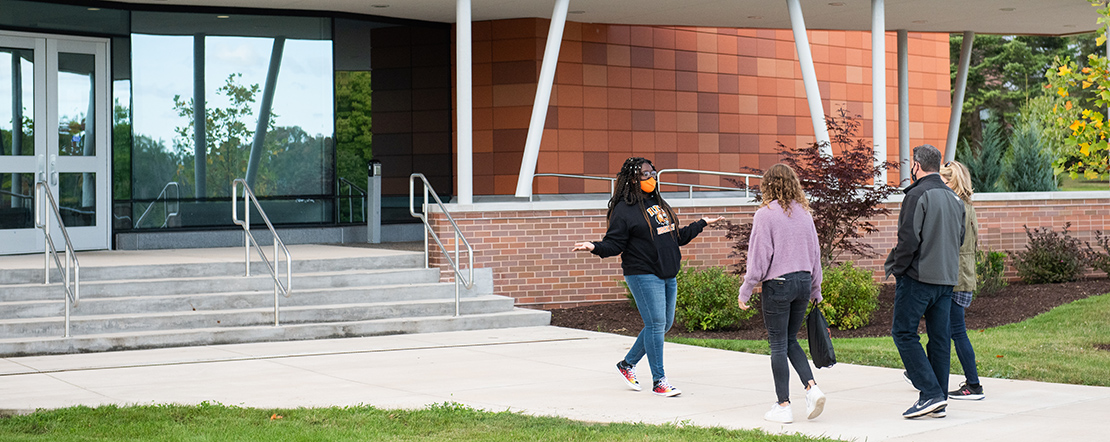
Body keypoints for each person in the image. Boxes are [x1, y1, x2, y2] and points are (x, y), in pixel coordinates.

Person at [572, 157, 722, 397]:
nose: (651, 178)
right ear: (632, 179)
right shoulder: (624, 209)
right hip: (643, 273)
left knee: (664, 324)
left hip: (667, 272)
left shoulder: (657, 203)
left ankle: (627, 364)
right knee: (655, 325)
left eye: (653, 174)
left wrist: (701, 223)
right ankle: (659, 381)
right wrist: (595, 246)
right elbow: (615, 243)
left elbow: (676, 237)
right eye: (645, 175)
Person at [737, 163, 826, 424]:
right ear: (793, 184)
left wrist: (746, 290)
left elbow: (758, 257)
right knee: (790, 340)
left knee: (778, 343)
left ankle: (783, 405)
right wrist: (815, 288)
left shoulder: (765, 214)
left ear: (768, 185)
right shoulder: (805, 214)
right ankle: (812, 388)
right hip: (803, 281)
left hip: (778, 284)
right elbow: (815, 255)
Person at [885, 144, 965, 419]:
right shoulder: (955, 200)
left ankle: (930, 393)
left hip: (918, 278)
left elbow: (907, 240)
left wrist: (899, 270)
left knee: (903, 333)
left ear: (917, 166)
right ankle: (938, 398)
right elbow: (960, 239)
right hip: (946, 279)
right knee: (940, 339)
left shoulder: (916, 195)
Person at [940, 160, 984, 400]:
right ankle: (925, 370)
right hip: (963, 274)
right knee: (945, 330)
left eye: (943, 181)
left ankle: (974, 385)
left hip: (956, 276)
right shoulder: (967, 205)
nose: (940, 185)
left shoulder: (957, 206)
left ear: (952, 181)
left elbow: (951, 242)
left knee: (956, 330)